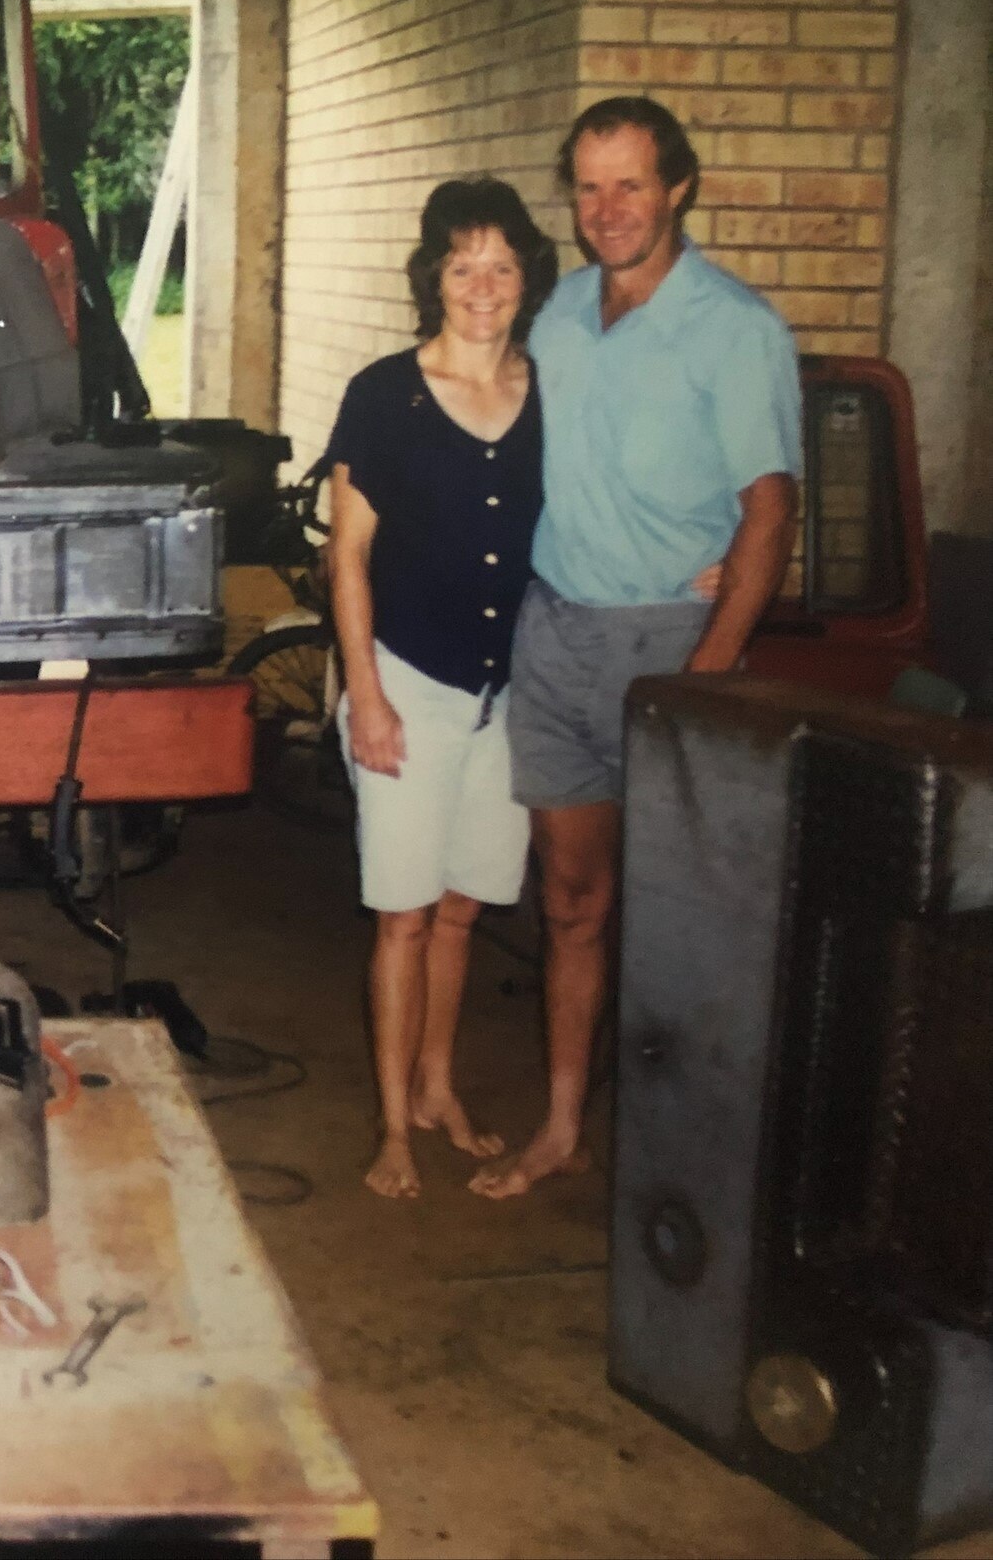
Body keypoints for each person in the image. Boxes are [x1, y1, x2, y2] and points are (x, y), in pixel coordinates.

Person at [471, 96, 801, 1199]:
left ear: (678, 189)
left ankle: (696, 1158)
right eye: (589, 185)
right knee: (570, 901)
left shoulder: (734, 326)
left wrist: (708, 667)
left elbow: (767, 507)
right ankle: (563, 1123)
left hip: (671, 644)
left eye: (630, 184)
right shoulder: (557, 311)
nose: (607, 208)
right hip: (553, 632)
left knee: (685, 916)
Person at [324, 178, 559, 1199]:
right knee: (404, 916)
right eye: (461, 264)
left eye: (500, 266)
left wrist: (702, 564)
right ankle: (391, 1130)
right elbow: (346, 561)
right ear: (432, 277)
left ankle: (435, 1088)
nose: (481, 284)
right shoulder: (384, 394)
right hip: (406, 686)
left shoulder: (547, 390)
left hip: (504, 696)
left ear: (524, 281)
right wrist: (364, 696)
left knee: (460, 910)